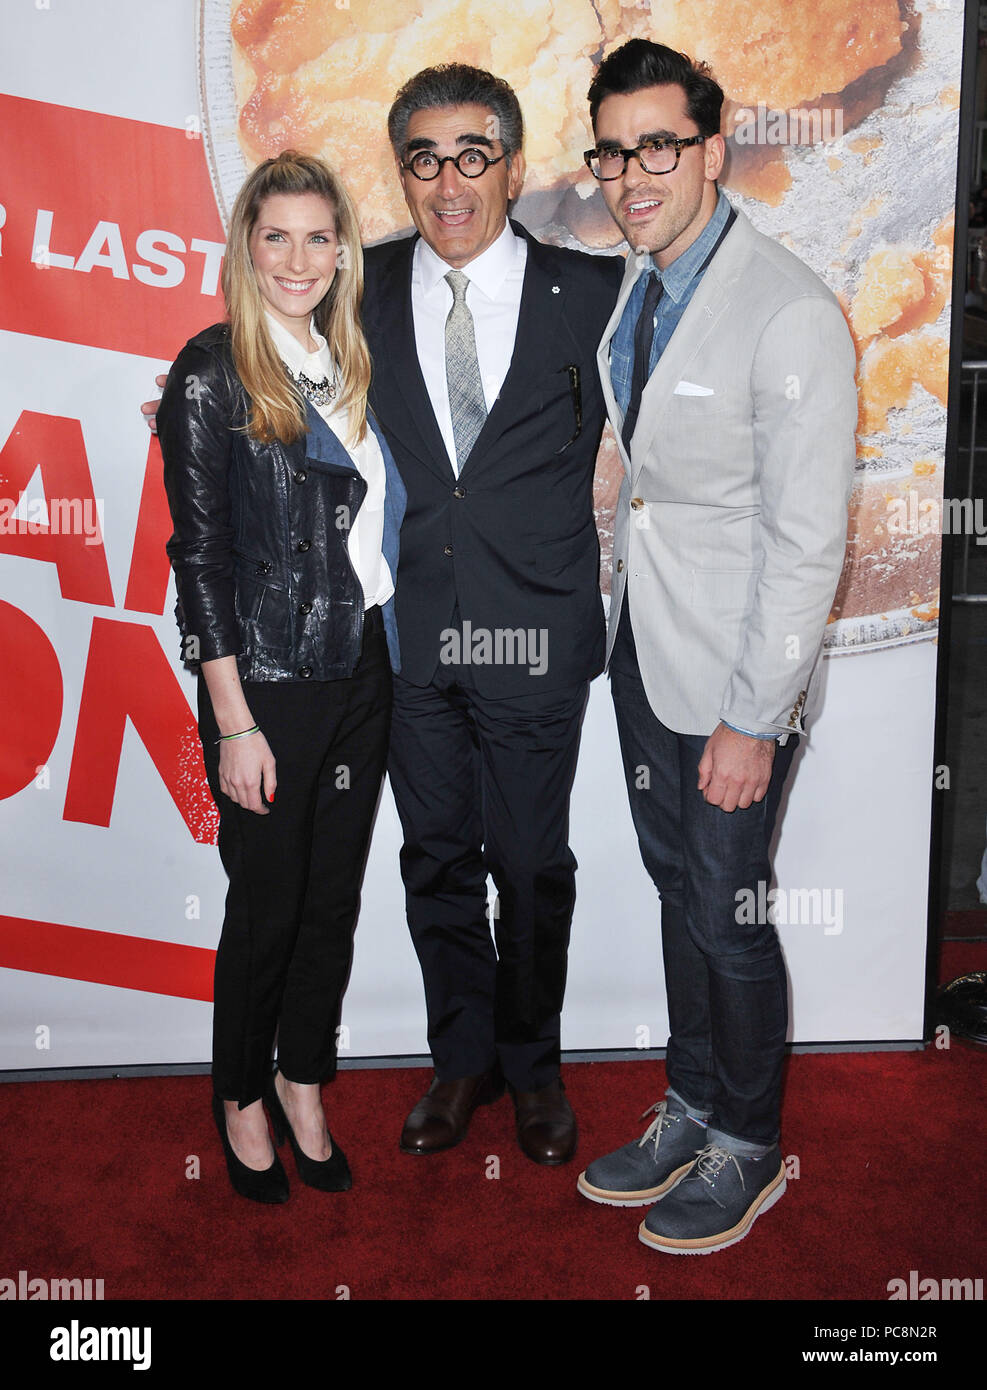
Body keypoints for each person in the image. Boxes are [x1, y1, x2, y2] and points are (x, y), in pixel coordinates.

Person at [575, 40, 857, 1251]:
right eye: (613, 150)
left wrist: (755, 717)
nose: (632, 174)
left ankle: (749, 1140)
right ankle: (692, 1103)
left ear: (714, 143)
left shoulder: (788, 308)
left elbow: (807, 542)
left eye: (658, 145)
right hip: (645, 651)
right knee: (678, 892)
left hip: (738, 683)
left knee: (730, 912)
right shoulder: (643, 281)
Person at [362, 66, 622, 1165]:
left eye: (474, 154)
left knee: (531, 865)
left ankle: (535, 1066)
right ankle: (460, 1060)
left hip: (535, 638)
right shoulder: (356, 286)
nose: (449, 181)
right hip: (413, 641)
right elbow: (257, 352)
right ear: (404, 174)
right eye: (424, 158)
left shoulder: (596, 291)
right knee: (434, 858)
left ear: (514, 166)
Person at [157, 151, 405, 1203]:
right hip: (265, 683)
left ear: (341, 248)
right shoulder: (212, 371)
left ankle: (305, 1077)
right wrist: (233, 722)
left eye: (318, 236)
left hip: (363, 668)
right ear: (245, 249)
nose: (298, 258)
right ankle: (242, 1094)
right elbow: (199, 561)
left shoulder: (350, 363)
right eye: (276, 237)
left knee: (332, 901)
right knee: (265, 905)